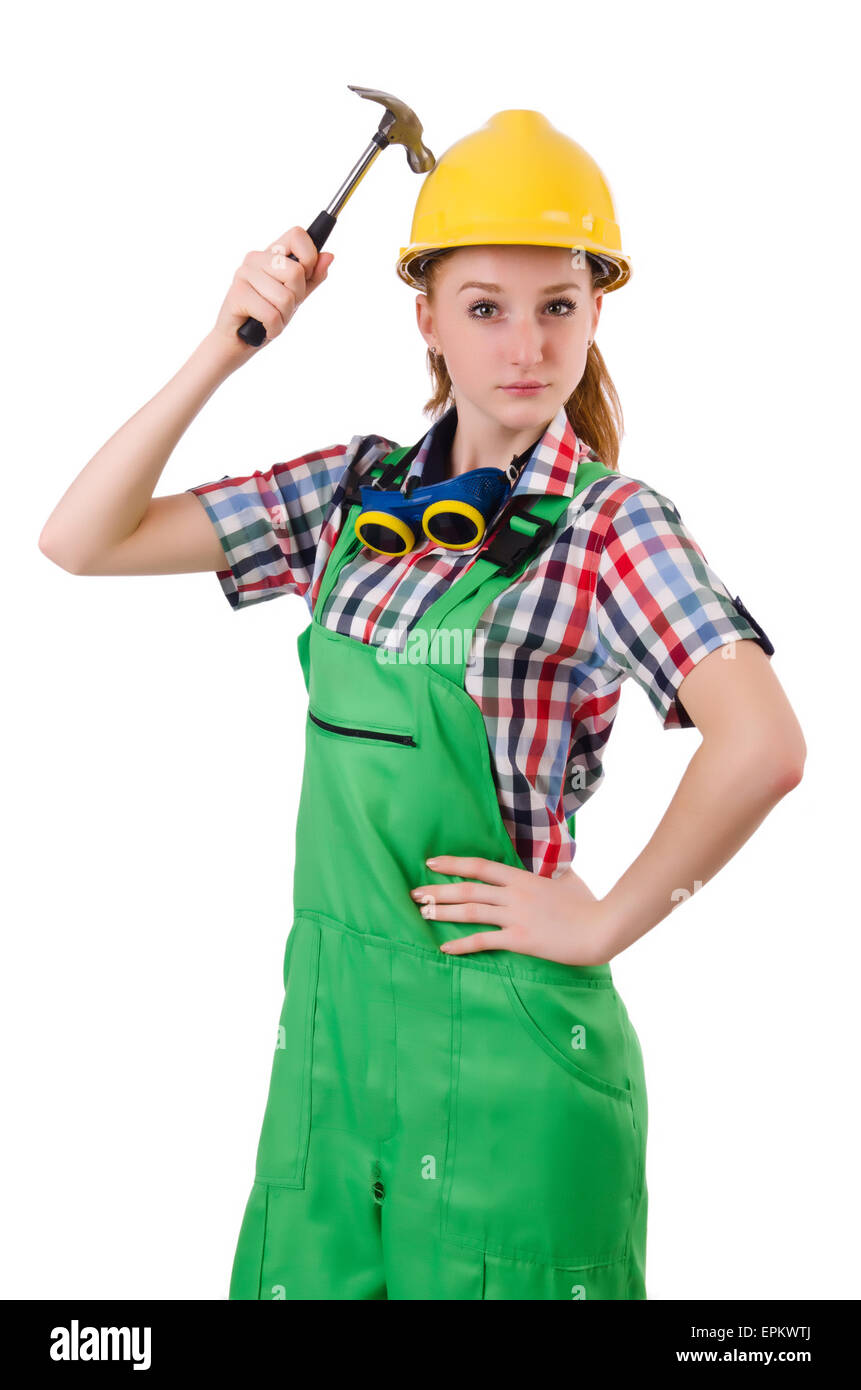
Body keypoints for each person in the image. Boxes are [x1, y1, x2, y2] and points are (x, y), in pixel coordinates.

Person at [39, 109, 806, 1301]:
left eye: (559, 304)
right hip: (335, 1050)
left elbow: (763, 746)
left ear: (598, 311)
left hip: (511, 1060)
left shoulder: (615, 527)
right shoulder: (354, 493)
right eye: (486, 305)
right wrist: (225, 347)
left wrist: (602, 925)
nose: (526, 344)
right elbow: (80, 539)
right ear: (428, 318)